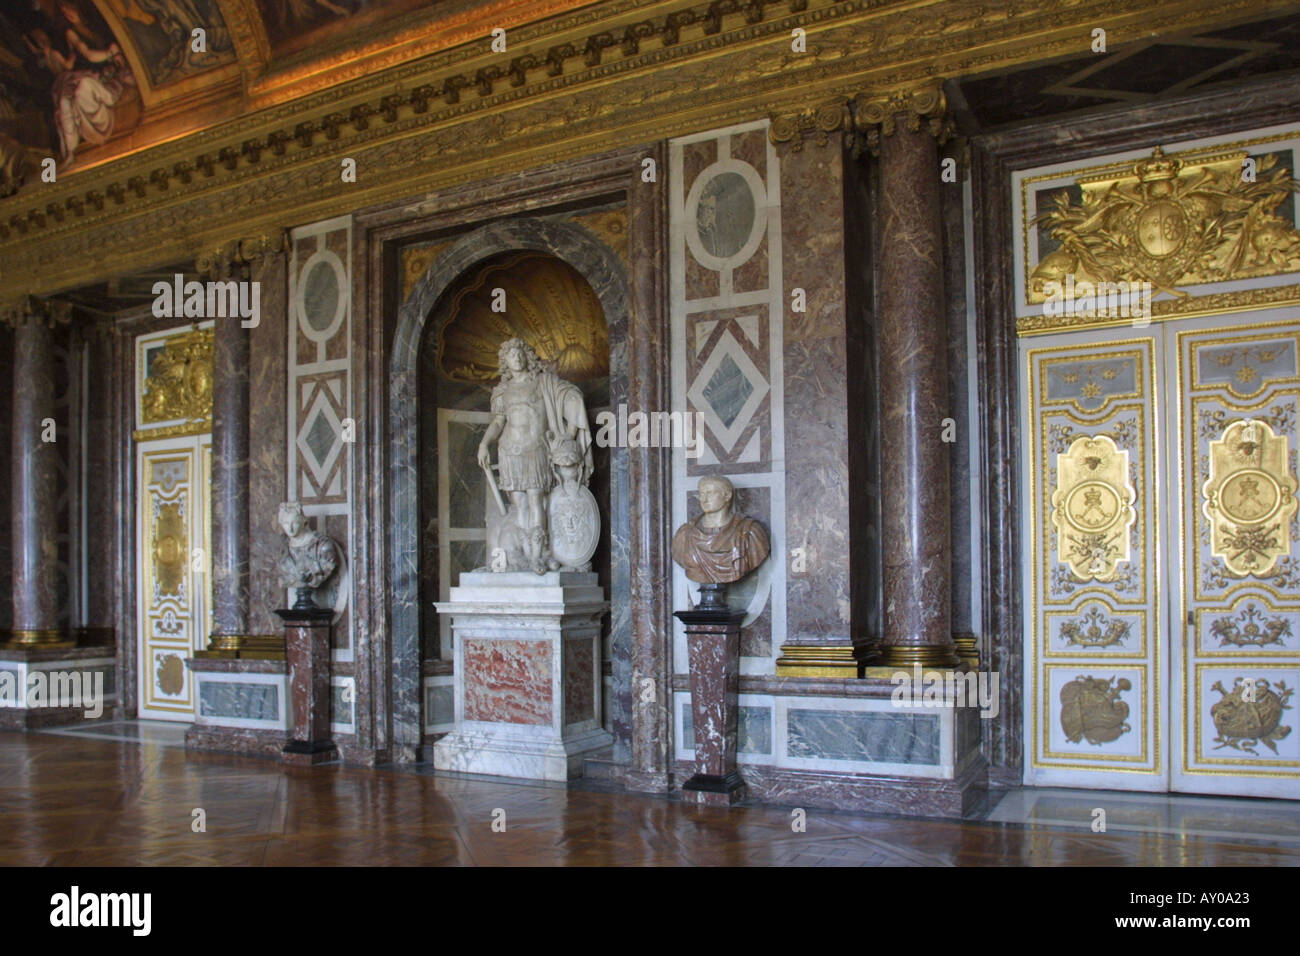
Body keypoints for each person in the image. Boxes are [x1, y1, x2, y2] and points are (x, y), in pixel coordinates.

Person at [671, 476, 769, 585]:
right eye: (701, 494)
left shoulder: (749, 532)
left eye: (710, 493)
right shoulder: (685, 534)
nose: (704, 499)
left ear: (727, 495)